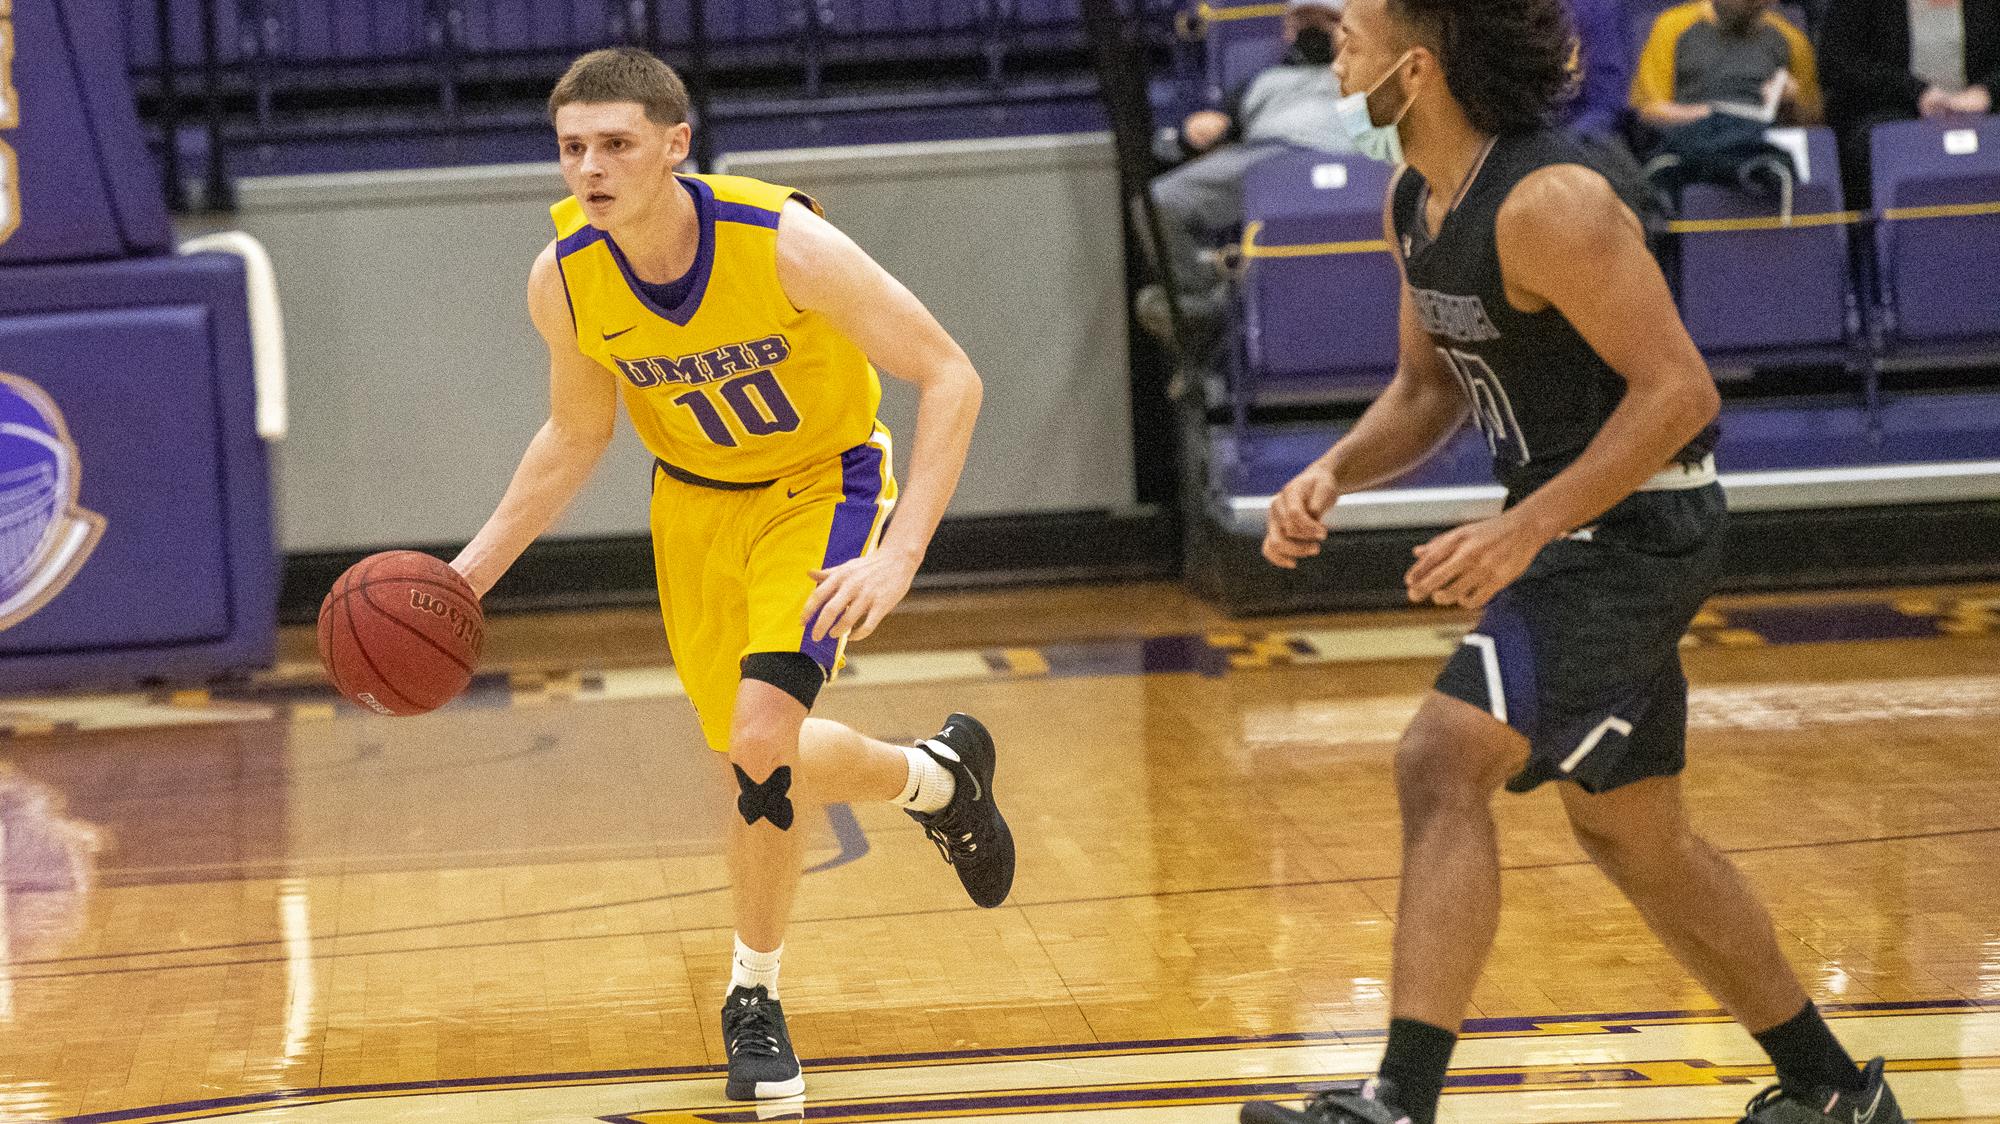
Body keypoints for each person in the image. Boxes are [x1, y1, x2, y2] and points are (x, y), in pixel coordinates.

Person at [1236, 0, 1906, 1121]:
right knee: (1636, 835)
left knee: (1439, 760)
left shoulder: (1551, 202)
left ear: (1415, 69)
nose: (1330, 56)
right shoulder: (1414, 199)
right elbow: (1428, 388)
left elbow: (1680, 393)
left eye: (1350, 36)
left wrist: (1525, 526)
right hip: (1573, 530)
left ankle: (1399, 1100)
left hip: (1639, 532)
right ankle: (1832, 1090)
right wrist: (1333, 472)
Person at [447, 47, 1015, 1102]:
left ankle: (753, 994)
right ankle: (936, 778)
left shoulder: (783, 242)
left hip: (821, 485)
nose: (590, 168)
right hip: (696, 507)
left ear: (676, 145)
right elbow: (576, 433)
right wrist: (466, 576)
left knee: (759, 743)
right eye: (572, 148)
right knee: (756, 758)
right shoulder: (564, 276)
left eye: (615, 144)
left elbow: (950, 375)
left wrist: (898, 552)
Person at [1134, 0, 1353, 344]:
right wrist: (1193, 134)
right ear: (1286, 31)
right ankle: (1209, 304)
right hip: (1270, 161)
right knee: (1158, 201)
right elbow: (1203, 133)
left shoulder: (1372, 71)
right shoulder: (1264, 81)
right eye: (1303, 22)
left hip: (1359, 168)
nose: (1313, 32)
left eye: (1326, 22)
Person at [1820, 0, 1998, 206]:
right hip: (1891, 110)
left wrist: (1986, 92)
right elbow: (1838, 62)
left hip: (1981, 111)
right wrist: (1915, 92)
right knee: (1876, 144)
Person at [1631, 0, 1823, 128]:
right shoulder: (1672, 26)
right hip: (1691, 144)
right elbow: (1649, 110)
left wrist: (1790, 104)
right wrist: (1716, 116)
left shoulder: (1791, 40)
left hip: (1764, 147)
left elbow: (1814, 124)